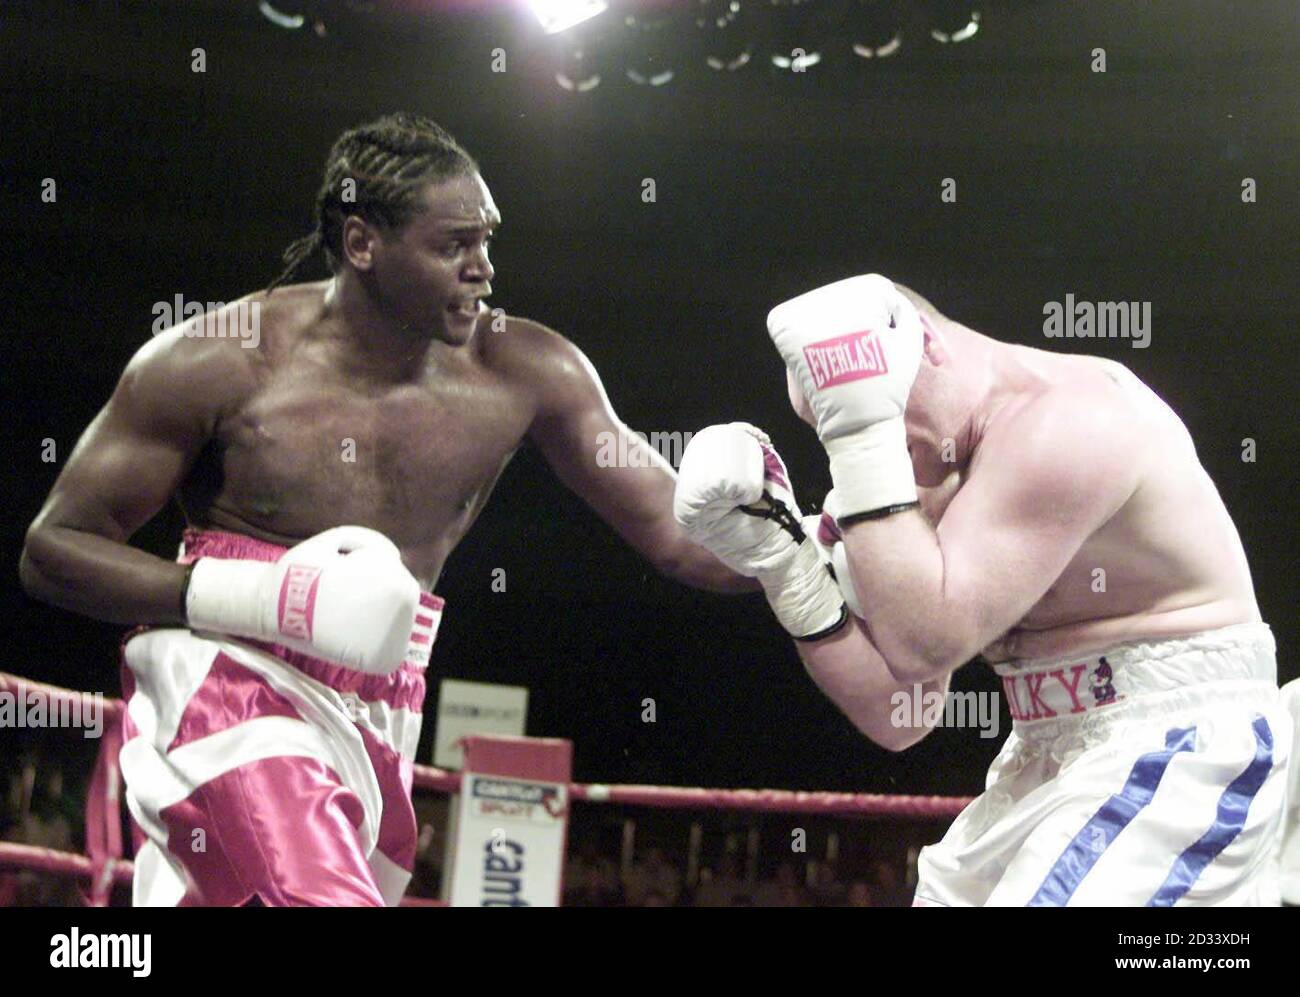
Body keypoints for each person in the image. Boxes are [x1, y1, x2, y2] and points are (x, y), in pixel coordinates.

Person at [19, 111, 750, 907]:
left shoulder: (526, 371)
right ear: (364, 243)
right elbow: (54, 548)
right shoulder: (217, 360)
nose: (484, 270)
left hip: (382, 706)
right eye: (455, 245)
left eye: (488, 241)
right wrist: (265, 599)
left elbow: (679, 536)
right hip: (226, 684)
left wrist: (826, 548)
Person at [674, 273, 1291, 906]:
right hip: (1045, 752)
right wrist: (787, 567)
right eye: (836, 426)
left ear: (929, 348)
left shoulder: (1069, 417)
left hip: (1179, 744)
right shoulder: (901, 468)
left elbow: (926, 642)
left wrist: (863, 437)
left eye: (873, 412)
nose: (889, 449)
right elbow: (901, 713)